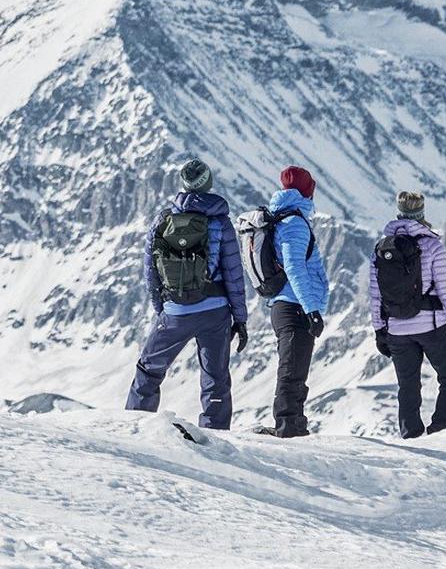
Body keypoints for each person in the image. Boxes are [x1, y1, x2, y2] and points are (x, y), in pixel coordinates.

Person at [122, 157, 252, 429]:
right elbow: (233, 274)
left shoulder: (164, 220)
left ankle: (135, 423)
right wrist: (239, 319)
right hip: (215, 312)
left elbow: (151, 270)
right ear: (209, 184)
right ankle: (215, 434)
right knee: (215, 377)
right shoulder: (220, 223)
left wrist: (163, 308)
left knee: (150, 368)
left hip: (175, 311)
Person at [368, 189, 446, 437]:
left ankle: (411, 435)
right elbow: (445, 290)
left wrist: (380, 330)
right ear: (422, 213)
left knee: (408, 385)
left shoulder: (381, 248)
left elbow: (375, 295)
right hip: (430, 326)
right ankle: (440, 429)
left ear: (398, 213)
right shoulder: (432, 245)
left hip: (396, 329)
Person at [256, 166, 329, 437]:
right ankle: (288, 426)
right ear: (306, 190)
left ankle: (293, 423)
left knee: (294, 368)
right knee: (292, 371)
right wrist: (312, 309)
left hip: (284, 305)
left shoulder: (281, 218)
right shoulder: (294, 223)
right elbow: (295, 267)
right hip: (294, 307)